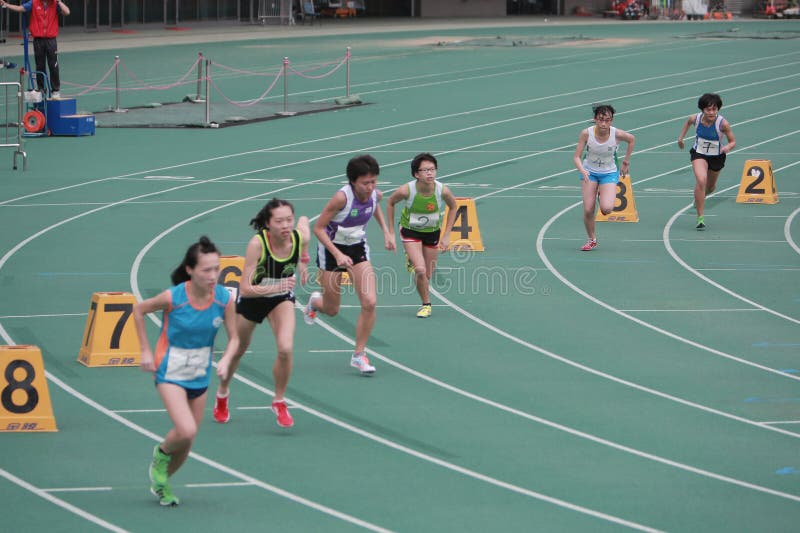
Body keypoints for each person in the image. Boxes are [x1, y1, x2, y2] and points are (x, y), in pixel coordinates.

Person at [133, 236, 239, 507]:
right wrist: (145, 351)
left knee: (188, 442)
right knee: (186, 429)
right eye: (206, 270)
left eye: (216, 268)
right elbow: (139, 310)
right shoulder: (174, 297)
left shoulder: (224, 299)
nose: (213, 275)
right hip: (170, 370)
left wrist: (226, 359)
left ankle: (161, 482)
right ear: (190, 270)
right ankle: (161, 453)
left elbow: (235, 337)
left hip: (200, 374)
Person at [213, 199, 310, 428]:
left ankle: (279, 400)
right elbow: (245, 288)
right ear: (268, 223)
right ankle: (222, 395)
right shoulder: (257, 244)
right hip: (253, 298)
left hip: (281, 299)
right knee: (237, 349)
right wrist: (277, 286)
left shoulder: (298, 237)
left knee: (285, 348)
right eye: (279, 221)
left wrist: (304, 259)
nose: (286, 225)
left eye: (289, 220)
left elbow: (306, 223)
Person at [303, 154, 396, 375]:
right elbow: (318, 228)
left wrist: (387, 232)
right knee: (333, 309)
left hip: (357, 249)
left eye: (374, 181)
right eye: (365, 183)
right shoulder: (340, 199)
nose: (370, 187)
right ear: (353, 181)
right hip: (331, 249)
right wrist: (336, 254)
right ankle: (316, 301)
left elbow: (374, 207)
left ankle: (359, 355)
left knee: (370, 302)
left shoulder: (375, 195)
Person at [385, 153, 457, 318]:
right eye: (425, 170)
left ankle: (413, 258)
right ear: (416, 174)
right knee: (420, 269)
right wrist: (390, 231)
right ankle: (426, 304)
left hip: (432, 232)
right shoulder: (407, 190)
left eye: (432, 169)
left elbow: (453, 207)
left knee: (427, 274)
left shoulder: (442, 190)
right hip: (410, 231)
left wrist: (447, 236)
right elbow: (390, 202)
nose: (430, 173)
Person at [573, 104, 635, 251]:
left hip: (609, 173)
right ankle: (592, 239)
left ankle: (602, 192)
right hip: (590, 172)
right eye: (601, 119)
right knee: (588, 209)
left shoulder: (617, 134)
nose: (604, 123)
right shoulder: (586, 134)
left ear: (611, 121)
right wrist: (582, 170)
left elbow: (632, 140)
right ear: (595, 119)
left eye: (607, 120)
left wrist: (626, 161)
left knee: (607, 209)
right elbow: (576, 157)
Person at [677, 93, 736, 230]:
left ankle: (698, 199)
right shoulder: (695, 119)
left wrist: (727, 147)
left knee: (710, 187)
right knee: (701, 180)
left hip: (717, 156)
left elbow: (733, 141)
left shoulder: (723, 124)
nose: (711, 112)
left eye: (714, 109)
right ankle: (700, 218)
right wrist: (681, 138)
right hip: (699, 153)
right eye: (708, 109)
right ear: (702, 109)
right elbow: (687, 122)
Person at [0, 0, 70, 99]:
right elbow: (21, 8)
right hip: (38, 40)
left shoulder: (55, 3)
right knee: (40, 65)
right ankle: (41, 89)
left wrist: (59, 1)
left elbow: (67, 12)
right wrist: (6, 5)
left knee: (53, 66)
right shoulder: (34, 3)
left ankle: (55, 90)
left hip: (51, 40)